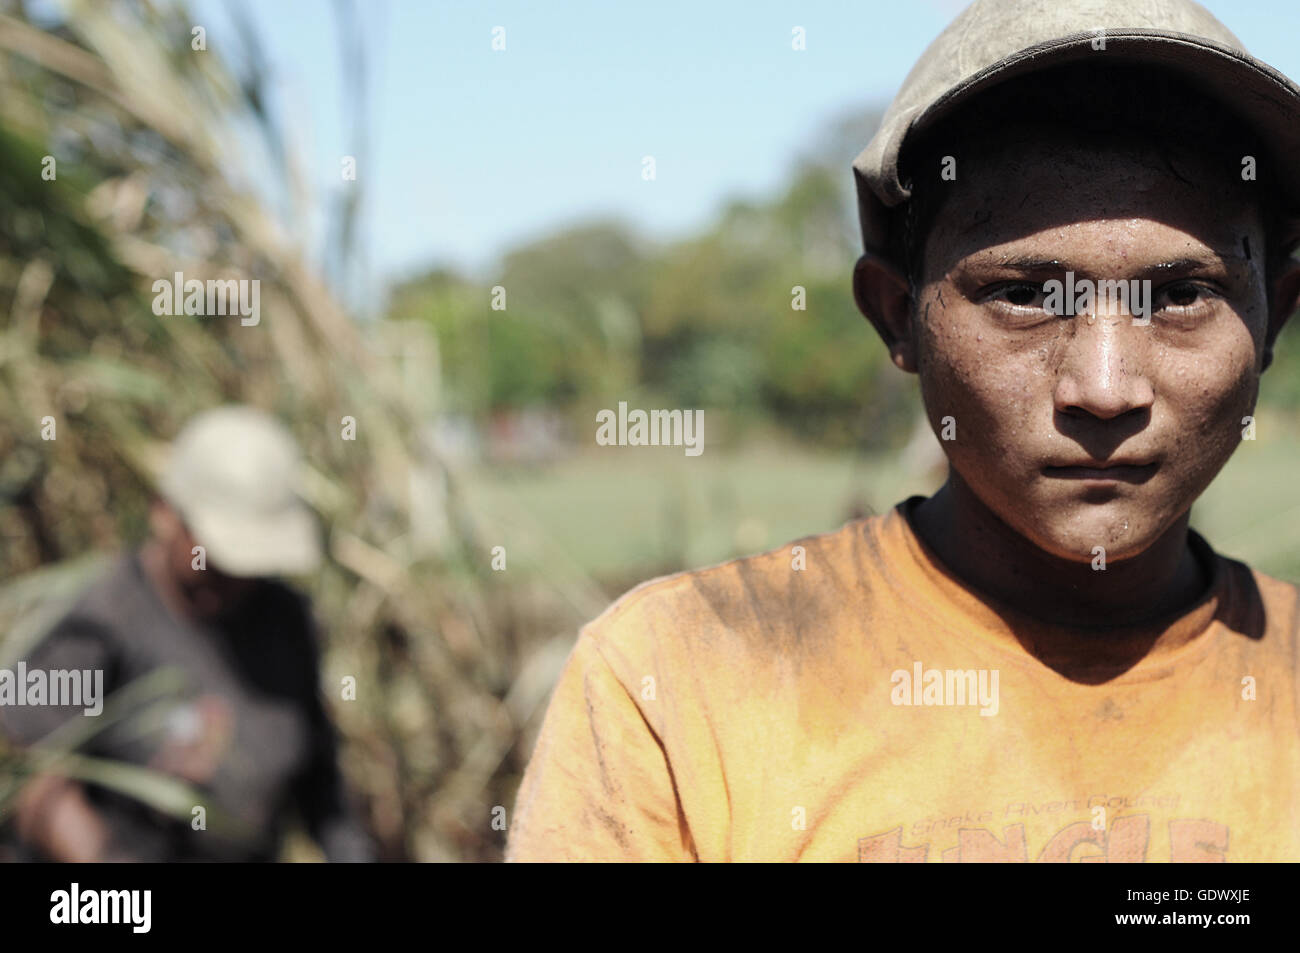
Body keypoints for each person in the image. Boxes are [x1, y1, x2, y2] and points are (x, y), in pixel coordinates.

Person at [507, 0, 1300, 862]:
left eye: (1179, 294)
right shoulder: (679, 683)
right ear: (898, 319)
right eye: (1026, 296)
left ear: (1273, 318)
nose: (1104, 388)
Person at [2, 405, 374, 862]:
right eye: (215, 558)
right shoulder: (98, 618)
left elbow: (322, 787)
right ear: (164, 513)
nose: (231, 579)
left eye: (246, 565)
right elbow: (33, 779)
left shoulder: (285, 621)